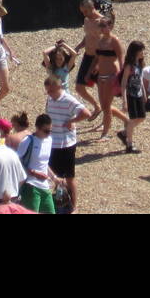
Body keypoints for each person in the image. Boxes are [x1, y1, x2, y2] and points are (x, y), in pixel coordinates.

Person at [44, 74, 92, 215]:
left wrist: (72, 121)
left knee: (69, 177)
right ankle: (54, 204)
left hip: (66, 144)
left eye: (51, 91)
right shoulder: (50, 98)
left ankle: (74, 206)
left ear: (59, 87)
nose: (49, 94)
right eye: (47, 91)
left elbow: (86, 113)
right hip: (52, 142)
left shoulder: (68, 100)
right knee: (51, 175)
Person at [88, 16, 130, 141]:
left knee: (106, 106)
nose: (102, 28)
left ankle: (105, 133)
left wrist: (122, 75)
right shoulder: (100, 40)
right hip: (101, 76)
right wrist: (90, 70)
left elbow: (121, 57)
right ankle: (125, 120)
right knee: (104, 105)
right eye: (100, 25)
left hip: (112, 75)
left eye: (104, 25)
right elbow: (97, 57)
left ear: (110, 26)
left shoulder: (114, 40)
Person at [16, 113, 55, 213]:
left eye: (50, 131)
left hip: (45, 185)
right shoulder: (28, 141)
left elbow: (44, 163)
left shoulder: (49, 140)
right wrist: (32, 172)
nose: (49, 134)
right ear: (37, 128)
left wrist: (54, 177)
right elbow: (16, 161)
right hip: (31, 185)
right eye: (46, 131)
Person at [118, 40, 148, 154]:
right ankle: (129, 144)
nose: (143, 53)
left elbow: (140, 80)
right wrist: (124, 100)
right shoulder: (129, 66)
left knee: (142, 117)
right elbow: (124, 83)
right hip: (131, 95)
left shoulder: (139, 64)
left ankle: (125, 133)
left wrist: (144, 94)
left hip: (139, 94)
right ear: (135, 52)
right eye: (141, 51)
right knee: (133, 119)